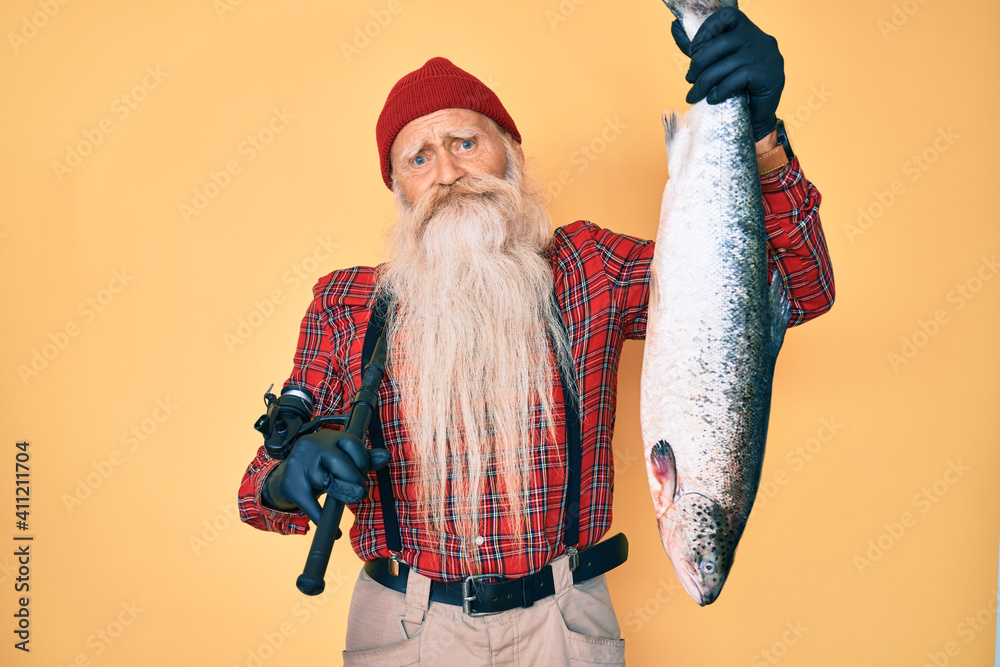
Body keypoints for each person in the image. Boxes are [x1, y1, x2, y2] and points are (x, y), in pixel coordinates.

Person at [238, 9, 834, 665]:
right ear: (400, 189)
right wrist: (290, 470)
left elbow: (794, 290)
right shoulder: (347, 302)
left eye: (466, 142)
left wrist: (762, 138)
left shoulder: (590, 269)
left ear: (511, 157)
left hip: (565, 620)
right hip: (406, 625)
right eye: (419, 156)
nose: (447, 172)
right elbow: (259, 493)